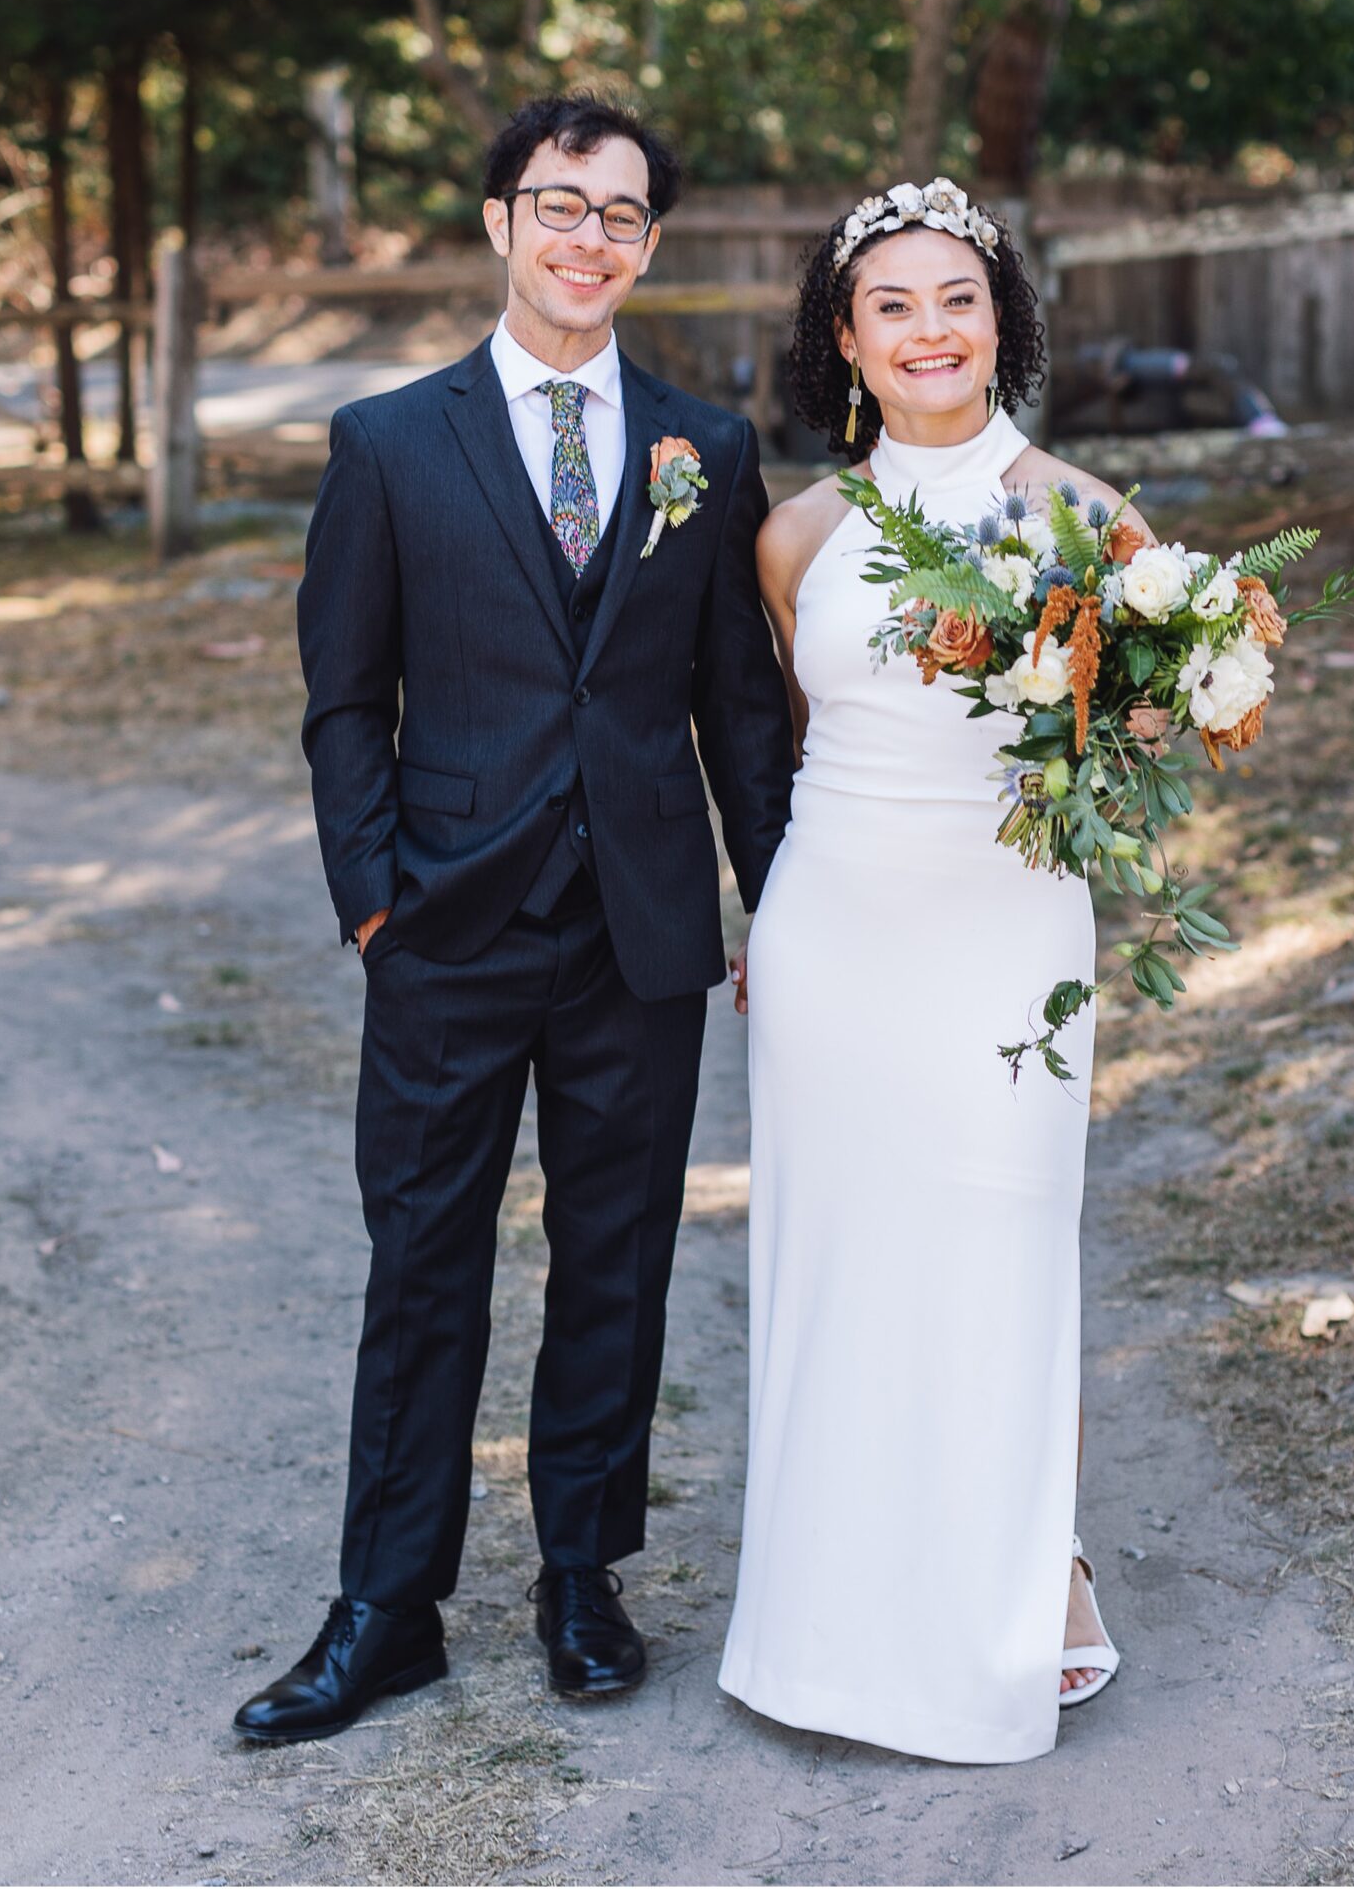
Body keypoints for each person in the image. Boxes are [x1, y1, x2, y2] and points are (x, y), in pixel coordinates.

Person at [236, 94, 793, 1745]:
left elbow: (739, 713)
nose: (587, 238)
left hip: (640, 932)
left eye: (622, 216)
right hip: (447, 926)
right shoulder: (392, 445)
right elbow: (345, 699)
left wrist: (783, 900)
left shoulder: (709, 449)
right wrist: (370, 904)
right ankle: (386, 1608)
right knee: (422, 1264)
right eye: (560, 205)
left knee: (613, 1259)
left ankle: (580, 1575)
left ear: (648, 247)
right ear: (499, 223)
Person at [718, 180, 1148, 1764]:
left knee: (1004, 1250)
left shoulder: (1087, 518)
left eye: (955, 299)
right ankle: (832, 1619)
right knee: (846, 1266)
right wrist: (767, 917)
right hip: (835, 934)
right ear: (846, 339)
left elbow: (1139, 736)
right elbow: (803, 741)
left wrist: (1151, 704)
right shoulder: (795, 537)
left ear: (1002, 323)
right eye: (891, 306)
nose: (928, 331)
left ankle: (1037, 1579)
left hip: (1010, 930)